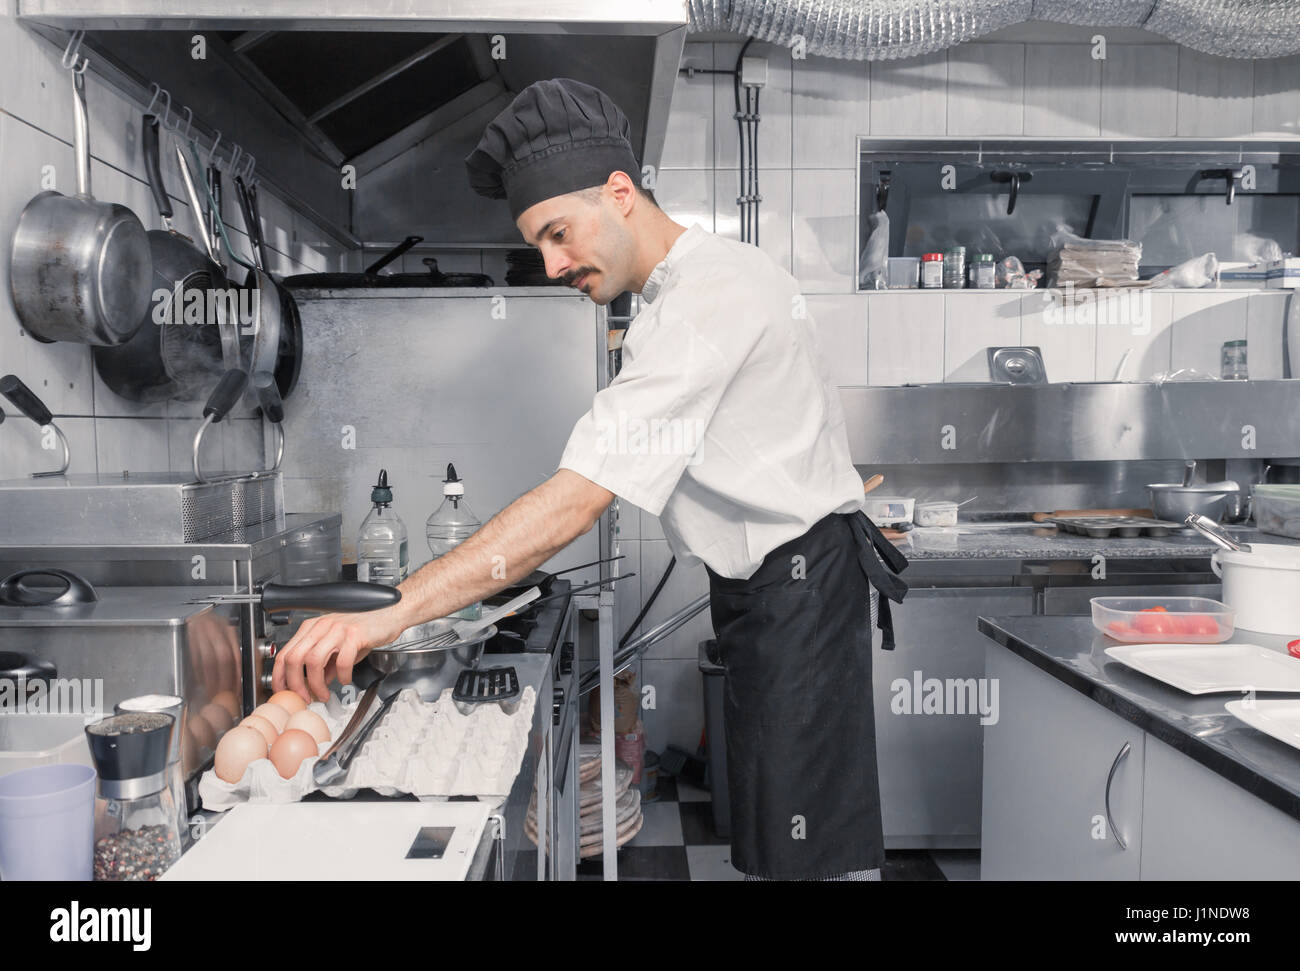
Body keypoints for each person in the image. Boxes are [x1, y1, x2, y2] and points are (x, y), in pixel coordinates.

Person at [272, 78, 908, 880]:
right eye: (539, 242)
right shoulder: (687, 289)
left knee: (805, 855)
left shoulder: (703, 303)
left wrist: (390, 613)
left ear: (620, 193)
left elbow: (579, 496)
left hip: (799, 592)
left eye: (559, 232)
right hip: (775, 591)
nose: (550, 263)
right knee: (778, 843)